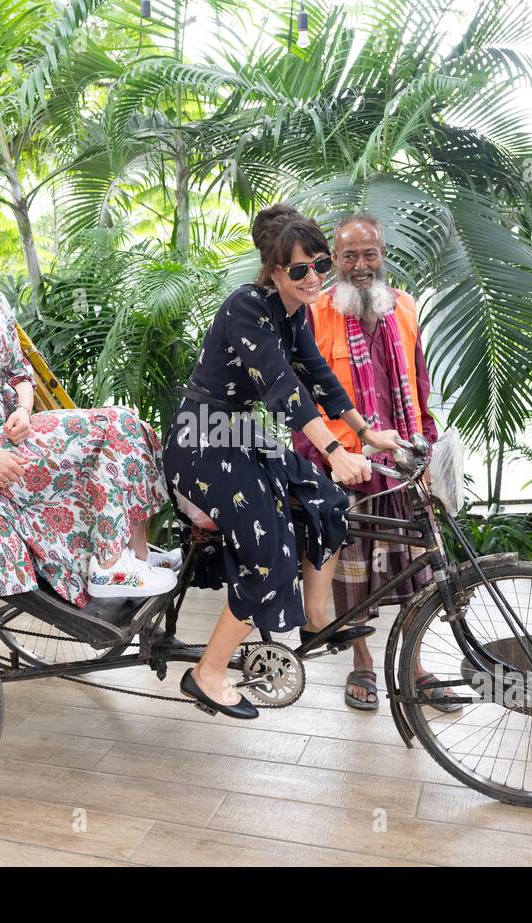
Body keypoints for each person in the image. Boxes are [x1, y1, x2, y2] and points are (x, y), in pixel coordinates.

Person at [164, 204, 402, 719]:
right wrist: (336, 451)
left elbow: (316, 374)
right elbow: (282, 387)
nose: (313, 276)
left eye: (319, 263)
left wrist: (365, 432)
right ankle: (208, 673)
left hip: (243, 434)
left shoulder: (296, 312)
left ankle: (315, 619)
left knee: (328, 498)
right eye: (300, 269)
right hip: (202, 441)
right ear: (275, 271)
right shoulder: (247, 306)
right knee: (268, 550)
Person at [0, 197, 177, 606]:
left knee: (125, 421)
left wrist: (23, 409)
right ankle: (111, 564)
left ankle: (133, 555)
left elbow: (20, 372)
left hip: (14, 428)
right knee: (114, 429)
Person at [293, 212, 458, 712]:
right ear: (334, 260)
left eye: (369, 254)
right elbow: (299, 400)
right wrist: (330, 456)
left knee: (416, 572)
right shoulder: (314, 312)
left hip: (402, 463)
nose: (360, 265)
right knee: (349, 581)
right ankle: (361, 663)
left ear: (382, 254)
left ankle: (415, 667)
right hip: (345, 465)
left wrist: (423, 447)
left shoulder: (404, 307)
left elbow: (420, 384)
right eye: (349, 256)